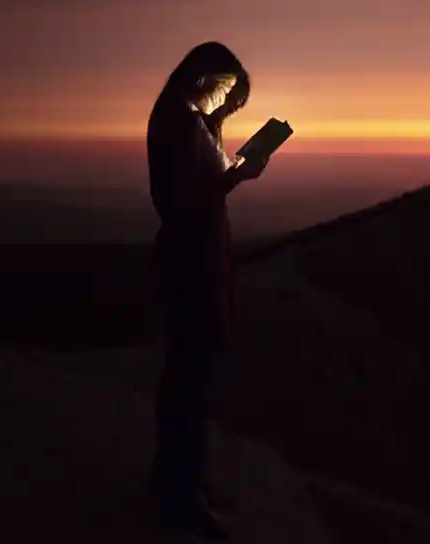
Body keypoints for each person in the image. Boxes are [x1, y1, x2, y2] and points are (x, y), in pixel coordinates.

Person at [144, 41, 268, 540]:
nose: (226, 99)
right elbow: (182, 199)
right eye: (225, 89)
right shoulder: (179, 119)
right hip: (191, 261)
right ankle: (179, 495)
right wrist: (235, 179)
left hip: (195, 258)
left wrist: (228, 170)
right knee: (189, 381)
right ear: (205, 78)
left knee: (188, 377)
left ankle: (177, 483)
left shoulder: (184, 118)